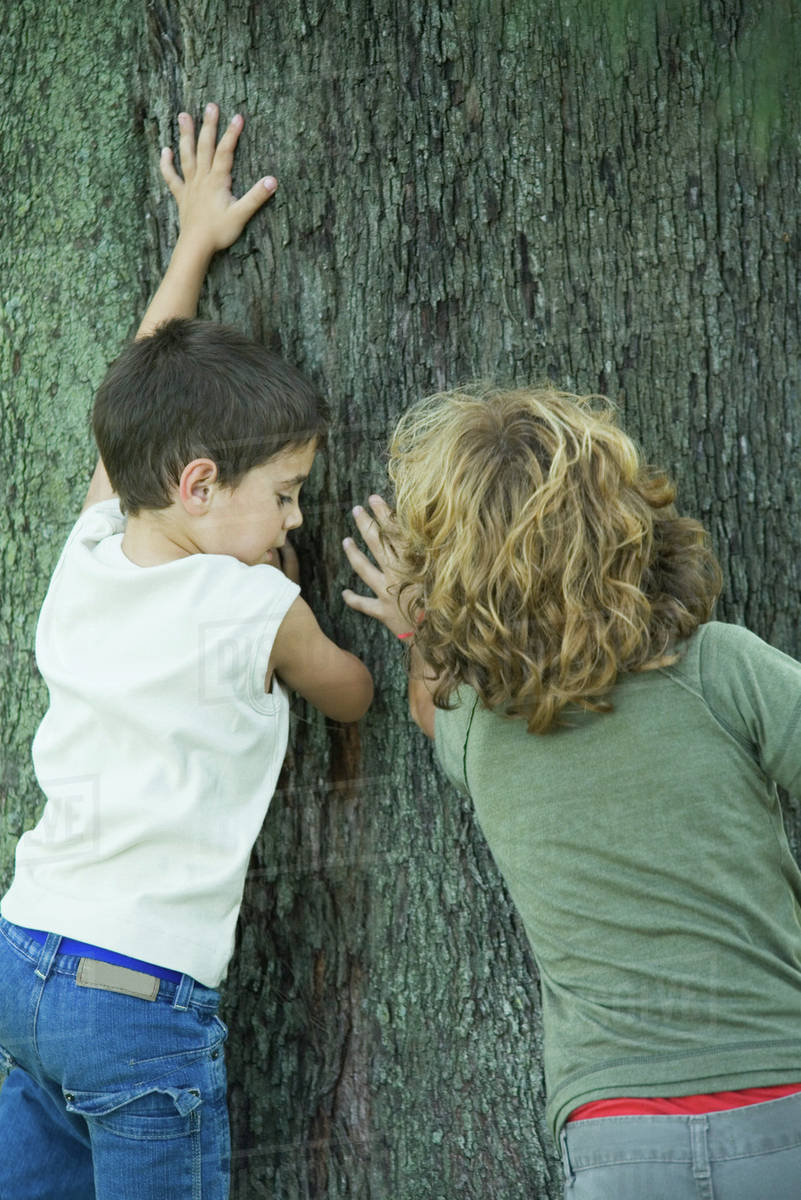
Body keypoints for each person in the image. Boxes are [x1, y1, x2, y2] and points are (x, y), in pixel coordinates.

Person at [0, 103, 373, 1200]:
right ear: (203, 485)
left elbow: (134, 420)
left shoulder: (93, 549)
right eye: (288, 497)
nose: (295, 522)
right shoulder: (246, 603)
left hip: (26, 960)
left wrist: (192, 246)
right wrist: (310, 600)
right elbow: (349, 696)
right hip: (137, 1006)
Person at [342, 384, 801, 1200]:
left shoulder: (478, 727)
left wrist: (421, 625)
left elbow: (429, 704)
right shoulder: (722, 669)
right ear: (623, 523)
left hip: (618, 1137)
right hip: (782, 1094)